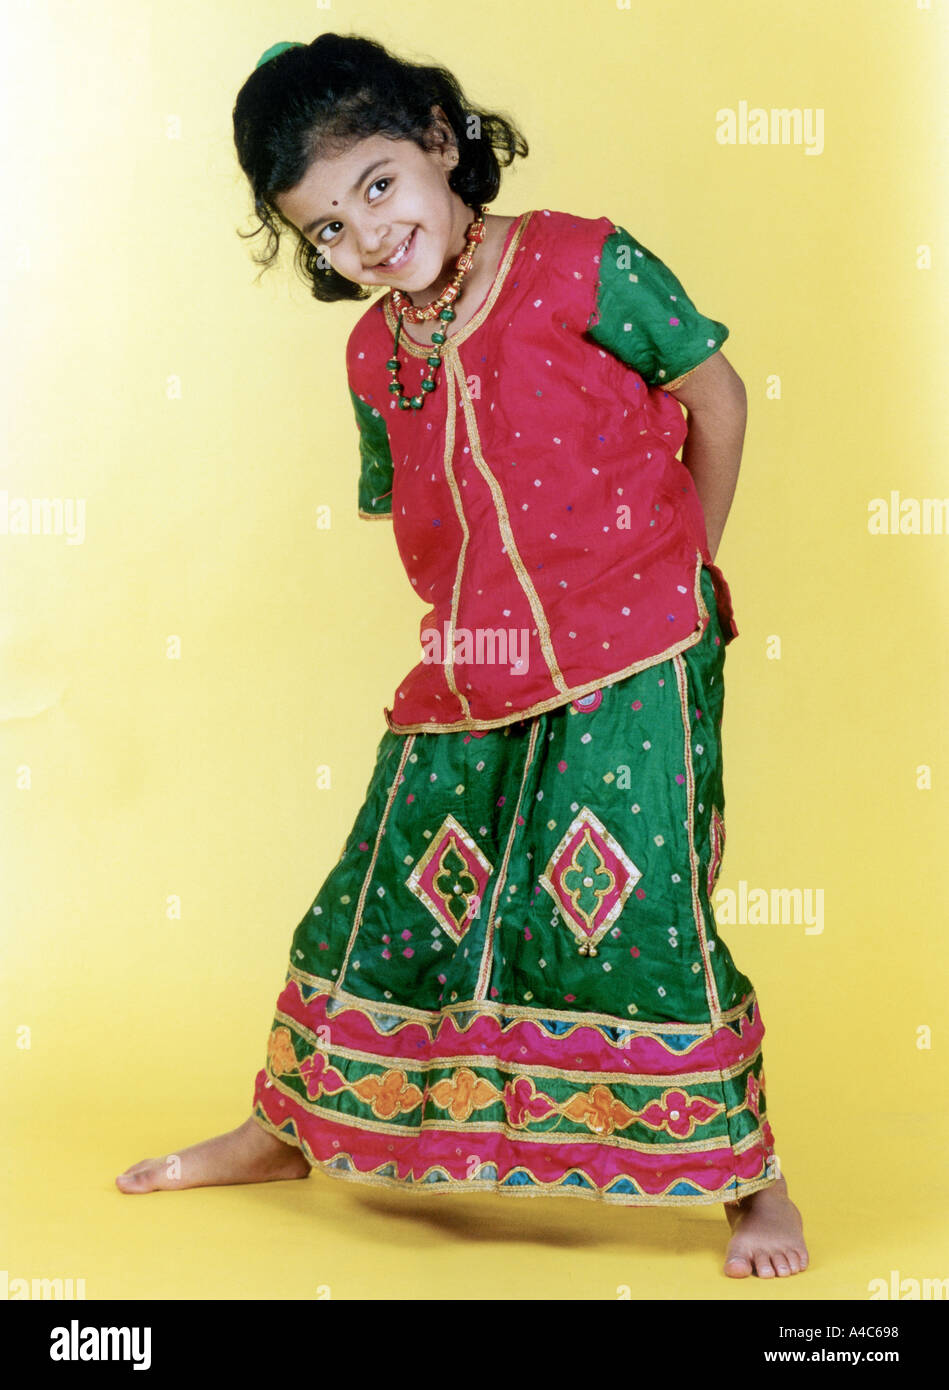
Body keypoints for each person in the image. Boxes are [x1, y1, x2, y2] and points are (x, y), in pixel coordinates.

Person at [116, 32, 808, 1281]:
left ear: (440, 139)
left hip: (637, 655)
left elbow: (718, 397)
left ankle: (748, 1183)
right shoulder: (372, 354)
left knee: (641, 915)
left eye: (377, 185)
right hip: (468, 672)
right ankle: (290, 1127)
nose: (367, 238)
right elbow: (429, 516)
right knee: (386, 901)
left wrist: (683, 571)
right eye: (326, 228)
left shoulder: (583, 261)